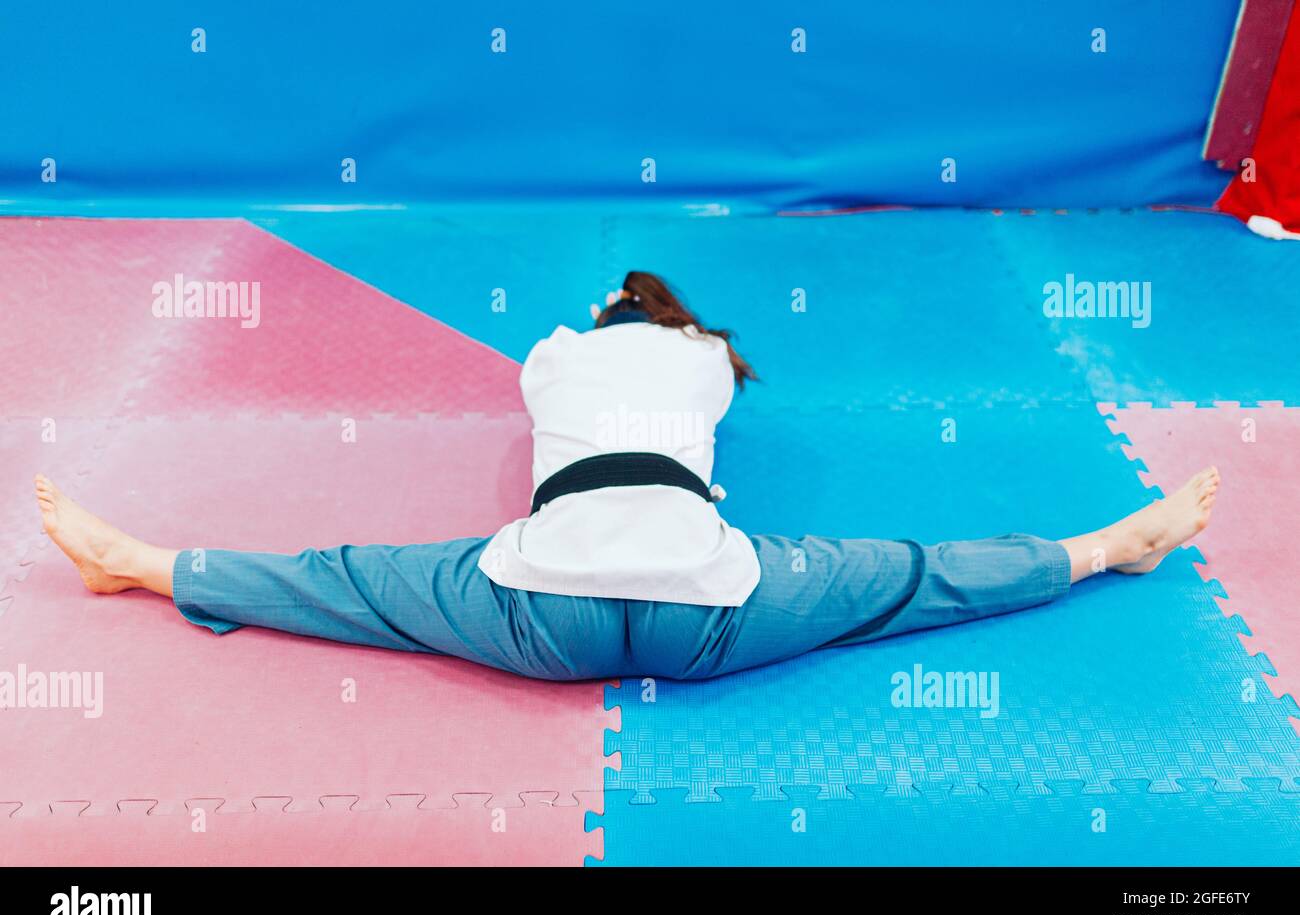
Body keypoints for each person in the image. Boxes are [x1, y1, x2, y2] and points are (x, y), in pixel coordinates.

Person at [33, 271, 1219, 681]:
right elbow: (714, 377)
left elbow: (547, 362)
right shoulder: (709, 357)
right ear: (688, 328)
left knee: (354, 581)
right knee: (909, 575)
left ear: (598, 321)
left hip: (538, 608)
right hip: (711, 610)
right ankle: (1111, 545)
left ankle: (139, 563)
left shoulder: (555, 355)